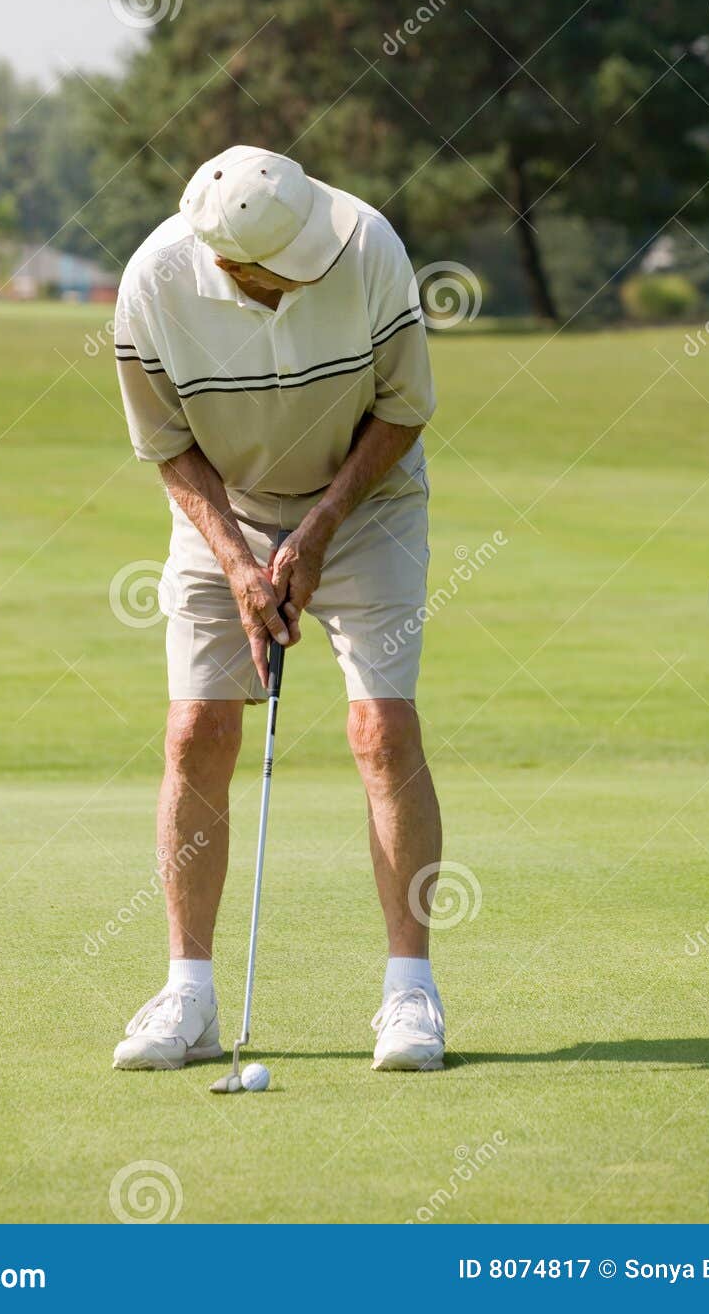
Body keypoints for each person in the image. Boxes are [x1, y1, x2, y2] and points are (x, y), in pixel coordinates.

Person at [112, 144, 445, 1072]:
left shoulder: (365, 244)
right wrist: (238, 559)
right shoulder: (152, 285)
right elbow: (167, 445)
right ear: (222, 260)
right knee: (194, 734)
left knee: (381, 730)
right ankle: (188, 996)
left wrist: (321, 529)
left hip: (366, 503)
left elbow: (406, 406)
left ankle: (411, 994)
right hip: (225, 509)